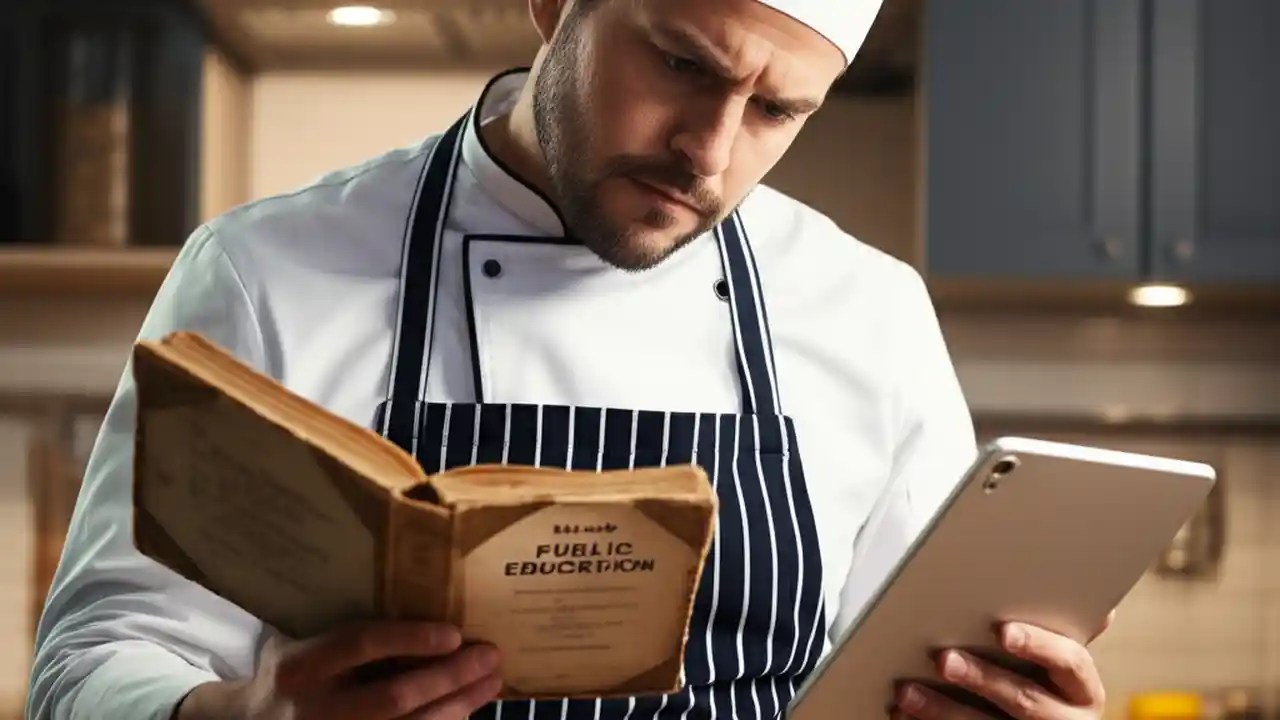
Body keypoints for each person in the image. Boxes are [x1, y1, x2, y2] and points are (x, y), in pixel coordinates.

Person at [25, 0, 1114, 718]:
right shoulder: (267, 272)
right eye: (681, 63)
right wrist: (243, 714)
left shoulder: (867, 311)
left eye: (776, 109)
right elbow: (88, 669)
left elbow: (908, 686)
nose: (708, 150)